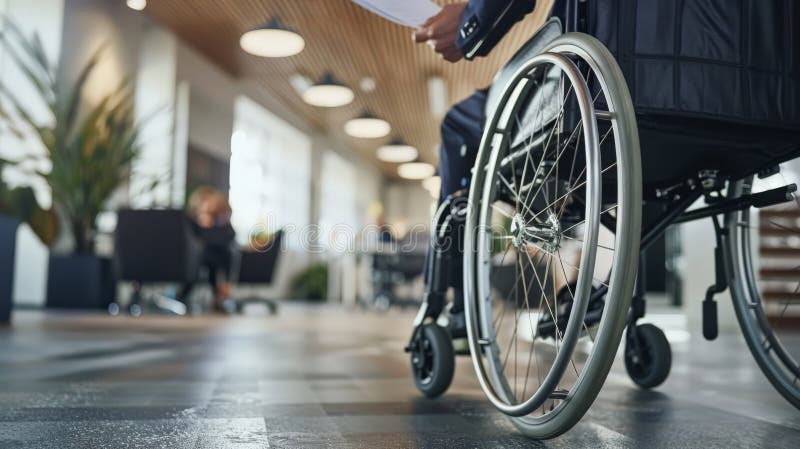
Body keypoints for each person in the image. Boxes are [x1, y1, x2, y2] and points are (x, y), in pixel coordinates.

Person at [413, 0, 565, 334]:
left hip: (582, 77)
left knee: (457, 124)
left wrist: (471, 20)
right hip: (697, 102)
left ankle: (455, 302)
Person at [180, 187, 237, 312]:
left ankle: (223, 288)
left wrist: (215, 224)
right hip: (193, 259)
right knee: (208, 255)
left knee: (227, 252)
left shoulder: (220, 223)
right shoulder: (190, 221)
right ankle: (219, 290)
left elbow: (230, 236)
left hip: (215, 257)